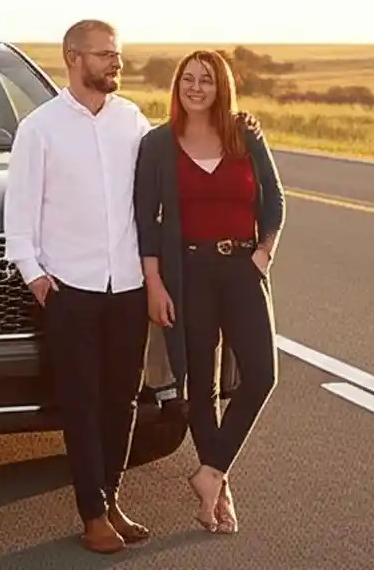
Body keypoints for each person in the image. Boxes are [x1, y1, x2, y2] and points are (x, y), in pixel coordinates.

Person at [3, 19, 154, 554]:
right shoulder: (40, 128)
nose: (117, 63)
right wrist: (38, 279)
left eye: (118, 54)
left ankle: (110, 500)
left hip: (129, 286)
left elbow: (168, 169)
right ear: (73, 58)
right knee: (82, 402)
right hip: (70, 288)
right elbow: (18, 214)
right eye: (105, 54)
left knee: (123, 400)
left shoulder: (132, 120)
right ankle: (91, 514)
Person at [133, 49, 286, 534]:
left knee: (262, 374)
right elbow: (145, 219)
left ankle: (210, 472)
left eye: (206, 80)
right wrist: (153, 281)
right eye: (188, 79)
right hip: (189, 273)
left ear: (222, 87)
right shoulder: (158, 143)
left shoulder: (246, 134)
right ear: (177, 86)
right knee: (202, 387)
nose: (196, 87)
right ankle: (219, 486)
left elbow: (276, 199)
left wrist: (263, 253)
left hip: (242, 268)